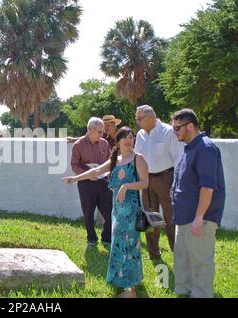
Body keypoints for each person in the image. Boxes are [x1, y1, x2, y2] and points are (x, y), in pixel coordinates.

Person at [63, 127, 149, 298]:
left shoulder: (138, 159)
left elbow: (145, 183)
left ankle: (130, 290)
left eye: (131, 137)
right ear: (117, 142)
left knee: (130, 244)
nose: (128, 140)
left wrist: (127, 186)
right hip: (117, 209)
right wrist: (75, 178)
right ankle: (123, 280)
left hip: (131, 209)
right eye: (124, 137)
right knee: (118, 243)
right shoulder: (115, 161)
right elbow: (95, 171)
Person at [171, 109, 225, 298]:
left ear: (190, 126)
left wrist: (199, 217)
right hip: (183, 218)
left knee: (200, 263)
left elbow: (208, 187)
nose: (175, 132)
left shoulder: (205, 148)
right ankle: (184, 293)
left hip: (199, 219)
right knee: (183, 261)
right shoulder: (189, 148)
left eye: (177, 128)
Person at [134, 105, 184, 259]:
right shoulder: (140, 134)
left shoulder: (169, 131)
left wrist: (175, 182)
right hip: (146, 180)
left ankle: (178, 253)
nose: (137, 122)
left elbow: (179, 158)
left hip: (166, 179)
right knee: (149, 217)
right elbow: (137, 157)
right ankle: (154, 253)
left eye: (139, 119)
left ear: (150, 117)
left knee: (170, 217)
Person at [70, 117, 112, 246]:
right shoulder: (78, 145)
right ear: (90, 130)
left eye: (103, 132)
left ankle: (106, 237)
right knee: (88, 211)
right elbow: (74, 165)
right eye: (99, 132)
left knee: (109, 211)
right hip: (86, 183)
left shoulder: (105, 143)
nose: (102, 134)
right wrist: (87, 175)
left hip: (104, 182)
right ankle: (91, 238)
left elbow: (111, 161)